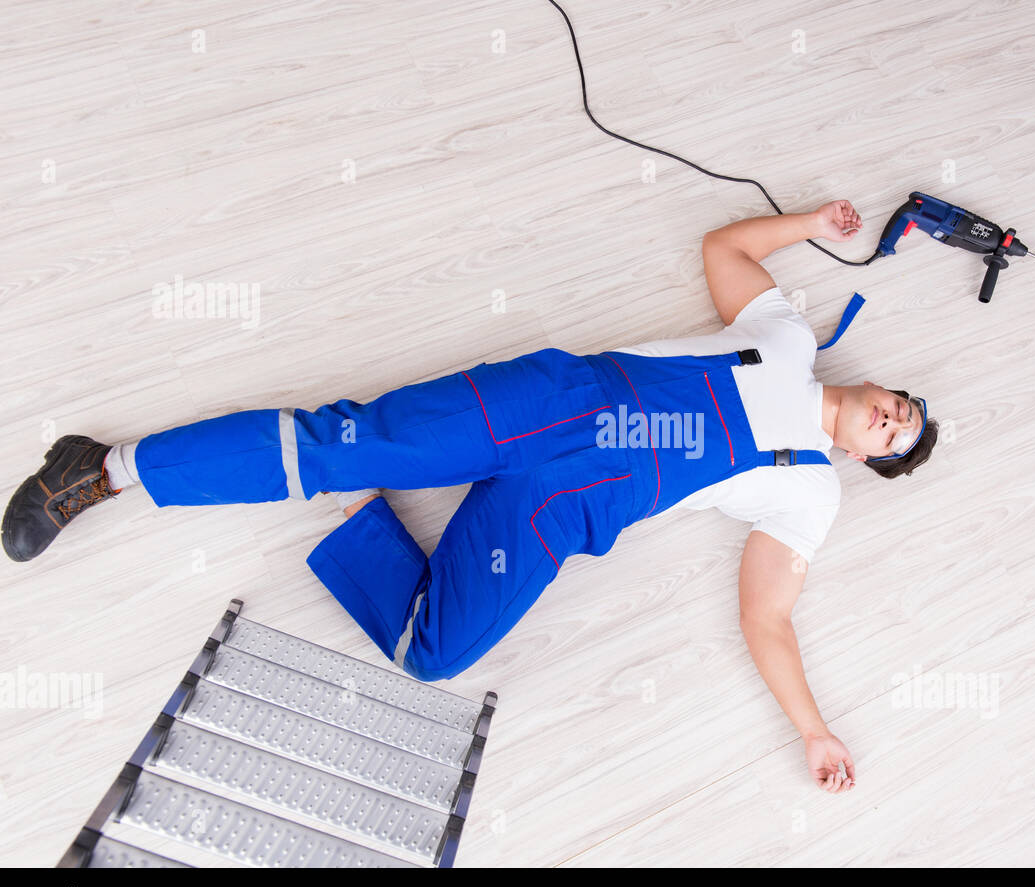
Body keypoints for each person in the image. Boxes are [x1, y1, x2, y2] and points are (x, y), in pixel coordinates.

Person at [3, 200, 936, 793]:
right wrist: (810, 223)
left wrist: (812, 732)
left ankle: (360, 511)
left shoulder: (810, 496)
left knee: (433, 654)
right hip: (554, 406)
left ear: (864, 459)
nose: (894, 419)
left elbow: (767, 618)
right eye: (906, 408)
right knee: (338, 440)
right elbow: (723, 244)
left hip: (557, 509)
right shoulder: (786, 335)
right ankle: (107, 467)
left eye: (896, 439)